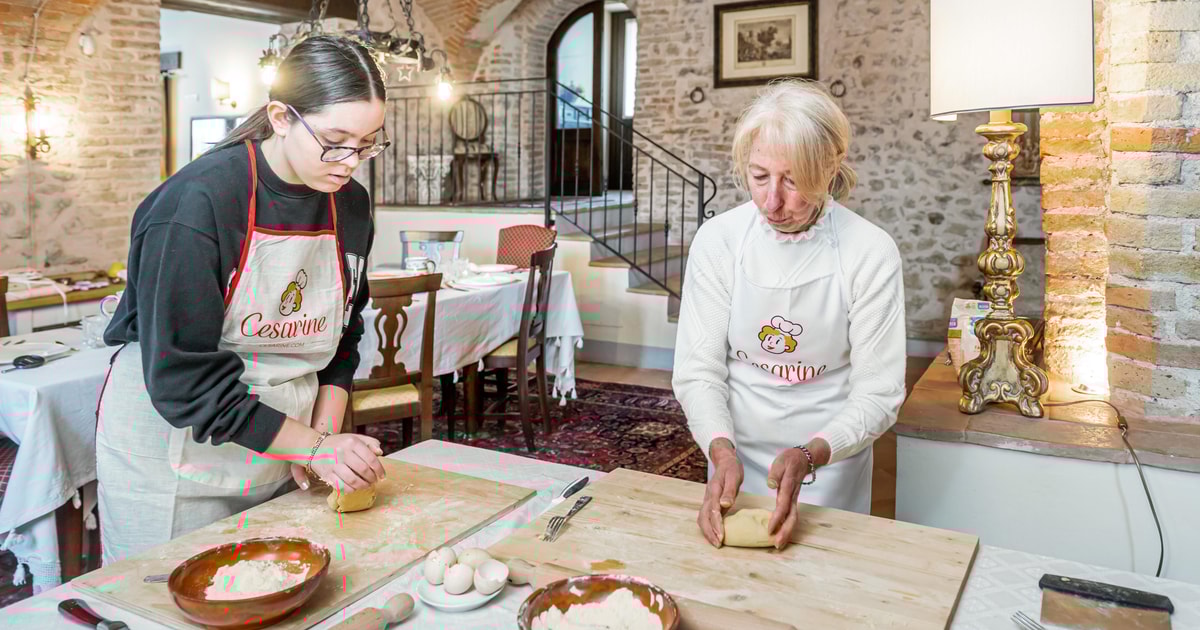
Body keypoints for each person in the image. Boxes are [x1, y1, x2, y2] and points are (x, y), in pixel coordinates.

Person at [97, 36, 390, 564]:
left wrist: (319, 434)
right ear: (281, 116)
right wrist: (313, 446)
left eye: (367, 143)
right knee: (165, 603)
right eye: (335, 140)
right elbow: (182, 379)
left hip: (284, 445)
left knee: (273, 590)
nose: (350, 162)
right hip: (175, 456)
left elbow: (346, 331)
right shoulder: (197, 203)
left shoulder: (351, 204)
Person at [672, 80, 906, 550]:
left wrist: (812, 453)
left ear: (831, 167)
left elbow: (879, 392)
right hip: (732, 451)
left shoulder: (870, 252)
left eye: (794, 179)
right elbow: (699, 370)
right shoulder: (719, 241)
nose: (772, 201)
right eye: (759, 177)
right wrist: (720, 449)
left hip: (831, 460)